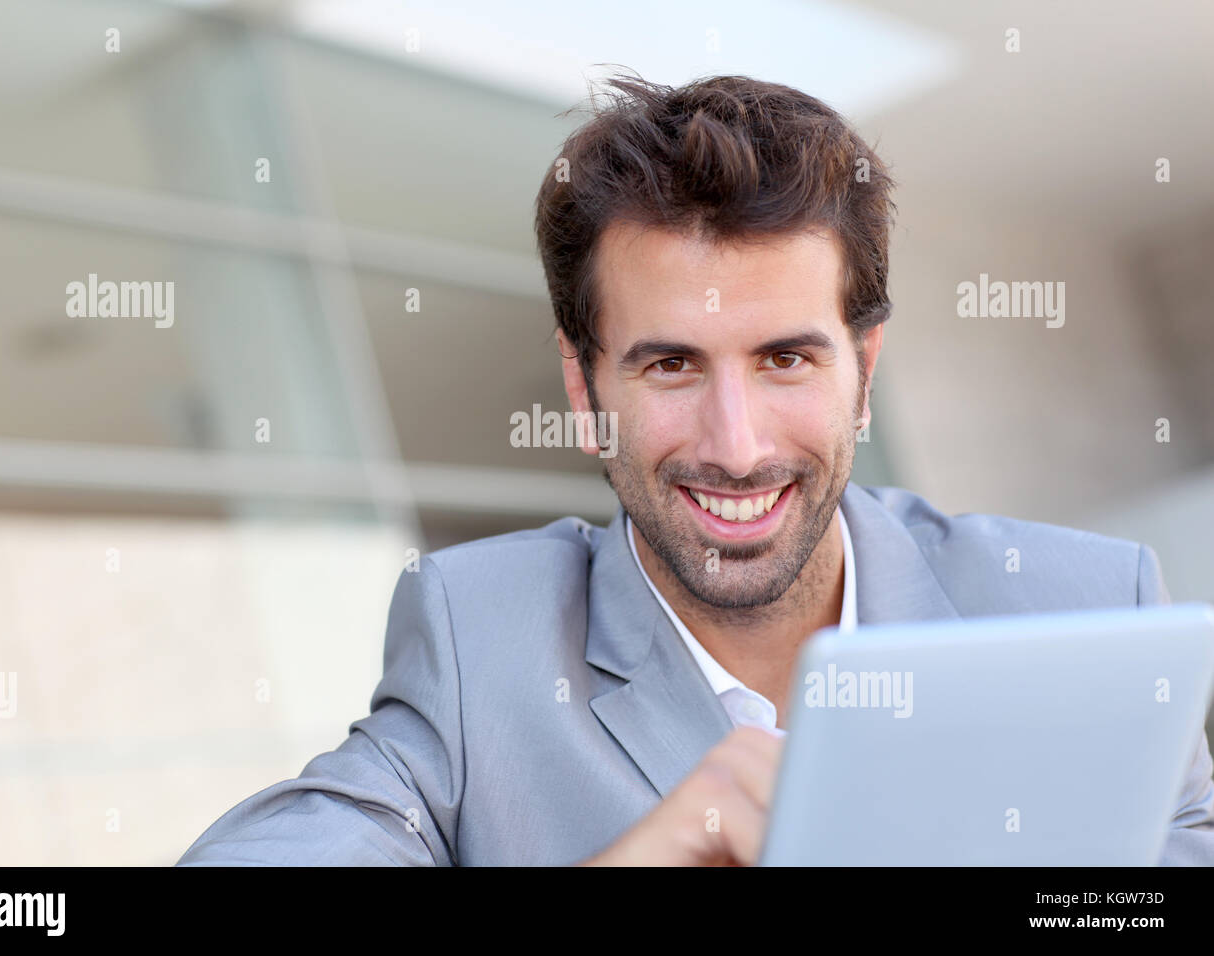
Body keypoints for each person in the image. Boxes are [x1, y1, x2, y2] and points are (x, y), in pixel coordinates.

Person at [178, 74, 1214, 866]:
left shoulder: (1084, 605)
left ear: (863, 373)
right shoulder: (477, 639)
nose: (736, 443)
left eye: (785, 359)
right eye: (670, 363)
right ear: (584, 392)